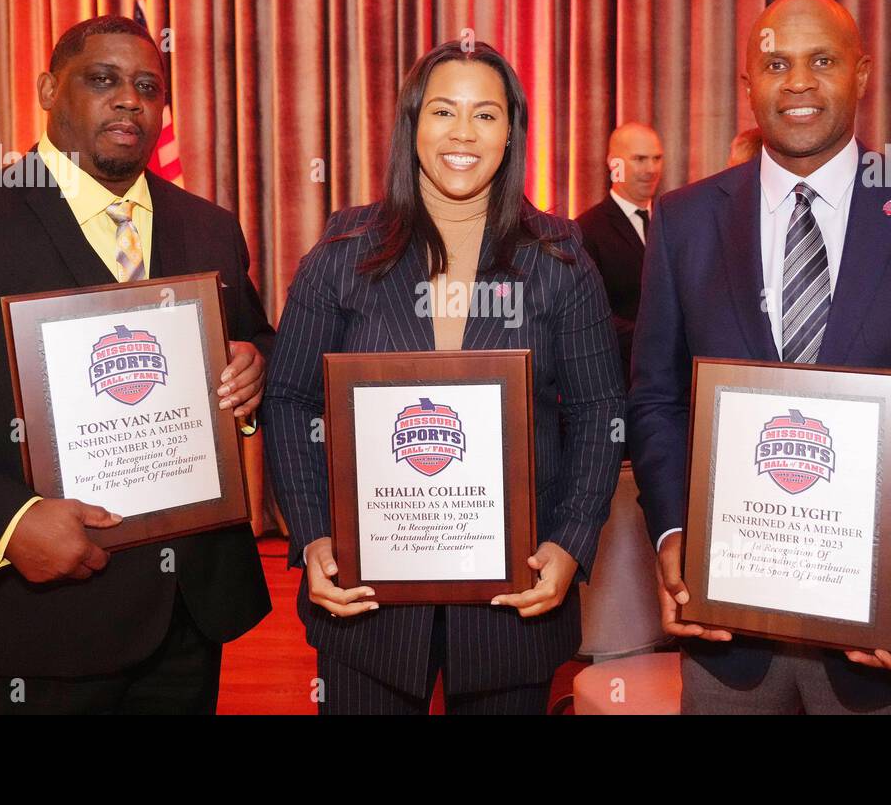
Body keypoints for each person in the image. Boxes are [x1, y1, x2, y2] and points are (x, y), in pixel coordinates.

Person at [0, 15, 275, 714]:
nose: (130, 99)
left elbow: (257, 340)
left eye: (148, 86)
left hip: (187, 619)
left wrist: (255, 363)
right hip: (29, 633)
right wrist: (10, 525)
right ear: (48, 88)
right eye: (102, 79)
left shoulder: (209, 226)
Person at [629, 0, 891, 714]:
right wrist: (671, 531)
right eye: (775, 63)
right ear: (747, 85)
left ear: (863, 73)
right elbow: (657, 398)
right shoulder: (684, 221)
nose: (797, 82)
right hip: (728, 644)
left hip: (887, 643)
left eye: (822, 60)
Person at [264, 40, 624, 715]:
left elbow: (600, 408)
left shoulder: (560, 258)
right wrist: (312, 534)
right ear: (412, 124)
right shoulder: (341, 255)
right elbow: (288, 400)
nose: (463, 133)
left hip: (513, 599)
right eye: (443, 112)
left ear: (511, 131)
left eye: (485, 115)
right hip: (365, 603)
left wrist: (571, 541)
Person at [576, 122, 664, 390]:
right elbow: (587, 315)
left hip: (673, 385)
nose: (651, 169)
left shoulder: (675, 220)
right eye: (639, 159)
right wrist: (654, 338)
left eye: (657, 158)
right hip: (617, 383)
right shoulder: (587, 229)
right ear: (614, 164)